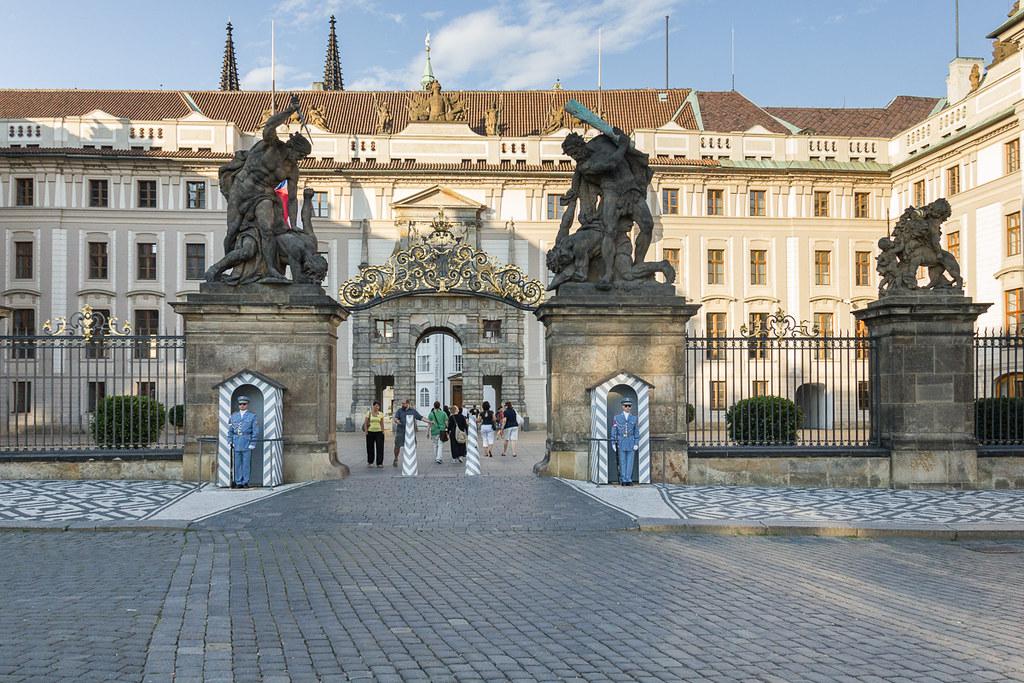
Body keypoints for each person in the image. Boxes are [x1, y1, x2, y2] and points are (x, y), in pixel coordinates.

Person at [228, 395, 259, 488]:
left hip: (247, 441)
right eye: (240, 404)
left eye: (244, 404)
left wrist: (253, 443)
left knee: (246, 463)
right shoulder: (233, 416)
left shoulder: (252, 416)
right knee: (237, 463)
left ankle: (245, 481)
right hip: (236, 441)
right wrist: (230, 440)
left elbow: (255, 430)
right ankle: (238, 482)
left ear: (247, 405)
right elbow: (230, 430)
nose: (242, 406)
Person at [611, 398, 639, 486]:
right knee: (622, 461)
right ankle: (623, 479)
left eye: (629, 406)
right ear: (622, 406)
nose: (627, 407)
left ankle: (628, 479)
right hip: (621, 441)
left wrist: (636, 443)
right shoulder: (617, 418)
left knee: (630, 462)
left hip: (631, 441)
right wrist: (613, 442)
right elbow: (614, 430)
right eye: (626, 406)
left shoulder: (634, 418)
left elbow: (636, 431)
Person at [393, 398, 428, 467]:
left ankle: (409, 460)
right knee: (397, 446)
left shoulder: (413, 411)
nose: (402, 405)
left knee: (412, 446)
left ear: (407, 404)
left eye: (403, 403)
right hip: (400, 431)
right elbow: (396, 418)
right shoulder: (399, 411)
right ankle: (396, 458)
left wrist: (429, 421)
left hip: (410, 433)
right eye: (402, 403)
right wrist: (397, 421)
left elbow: (421, 417)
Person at [362, 400, 386, 468]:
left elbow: (382, 423)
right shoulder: (368, 413)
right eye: (376, 406)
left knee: (380, 448)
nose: (377, 407)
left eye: (378, 406)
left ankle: (379, 463)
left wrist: (383, 431)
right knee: (370, 447)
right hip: (370, 432)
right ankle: (370, 462)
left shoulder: (381, 414)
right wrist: (366, 432)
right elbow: (366, 423)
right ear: (373, 406)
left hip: (379, 432)